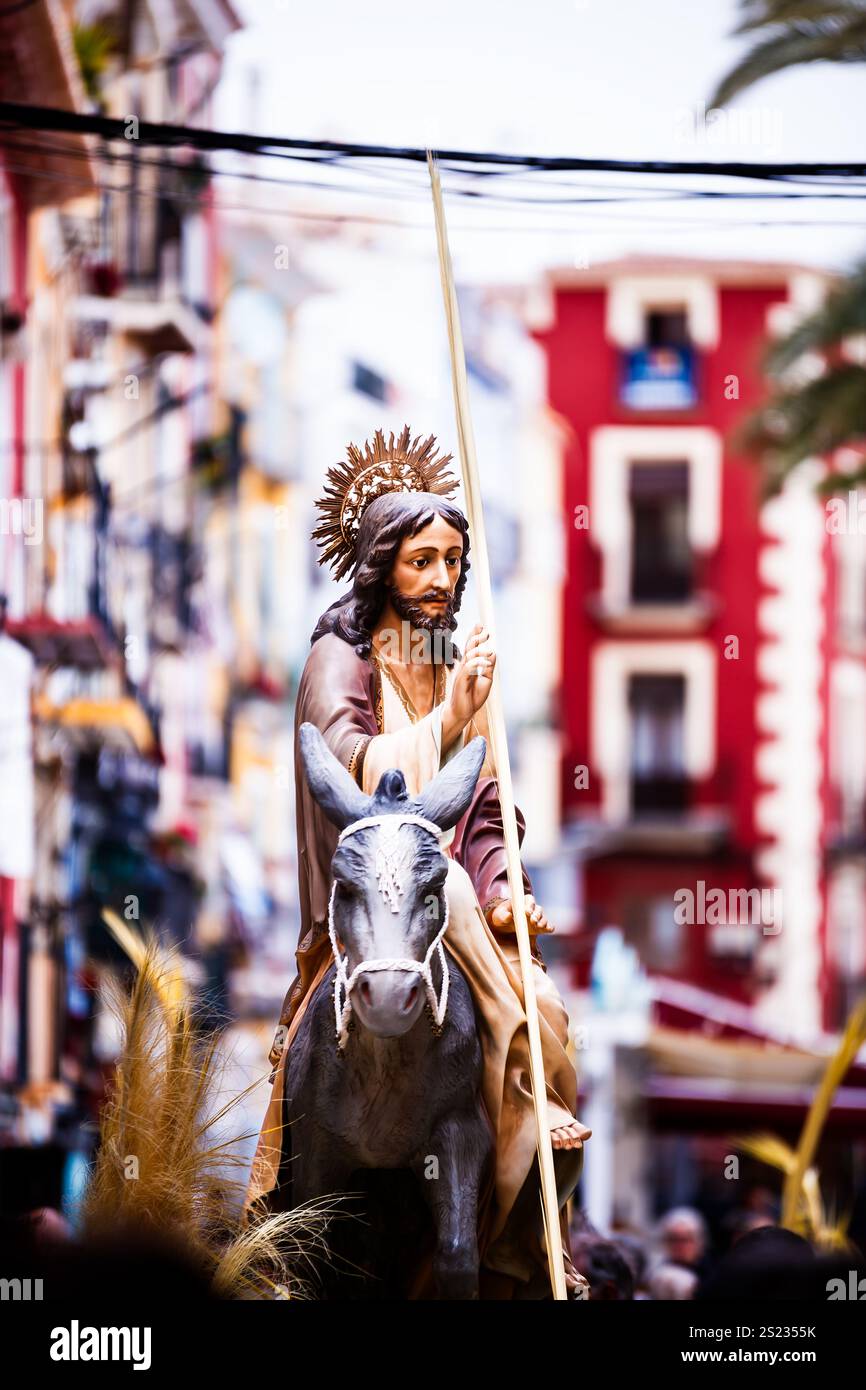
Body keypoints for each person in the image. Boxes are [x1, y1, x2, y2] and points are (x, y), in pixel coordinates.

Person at [246, 427, 591, 1295]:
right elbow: (351, 765)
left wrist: (508, 880)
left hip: (453, 889)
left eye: (452, 560)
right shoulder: (340, 654)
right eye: (421, 561)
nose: (440, 579)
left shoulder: (445, 657)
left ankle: (528, 1129)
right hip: (370, 887)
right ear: (381, 566)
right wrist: (446, 721)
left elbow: (482, 801)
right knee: (442, 891)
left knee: (543, 1000)